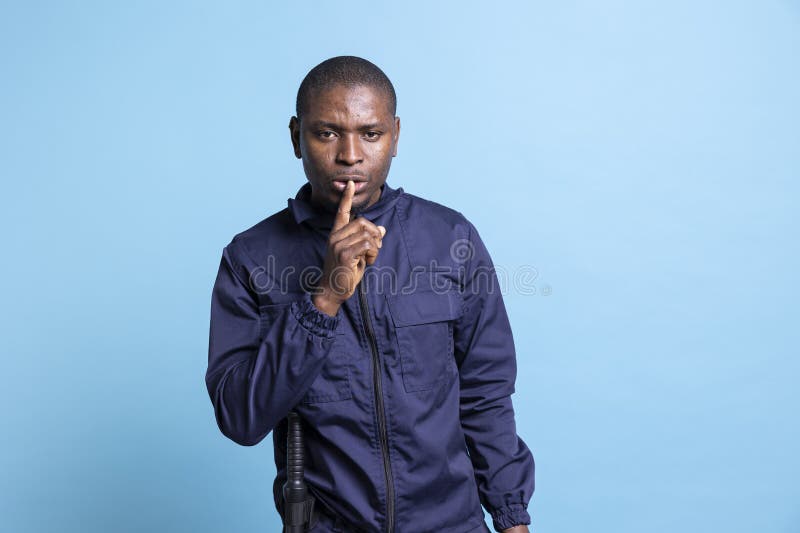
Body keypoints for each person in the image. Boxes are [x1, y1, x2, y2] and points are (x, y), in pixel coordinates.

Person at [205, 56, 535, 533]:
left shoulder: (450, 238)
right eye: (327, 133)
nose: (351, 155)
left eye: (371, 133)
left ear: (396, 135)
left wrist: (511, 518)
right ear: (296, 135)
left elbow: (486, 395)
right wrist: (325, 297)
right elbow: (240, 417)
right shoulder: (251, 260)